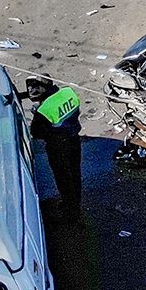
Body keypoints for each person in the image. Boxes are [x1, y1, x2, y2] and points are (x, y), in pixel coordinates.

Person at [26, 78, 84, 214]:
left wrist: (36, 114)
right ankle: (77, 200)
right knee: (75, 172)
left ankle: (70, 207)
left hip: (58, 147)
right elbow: (77, 110)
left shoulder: (44, 110)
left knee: (63, 177)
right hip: (74, 140)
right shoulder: (68, 92)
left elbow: (36, 133)